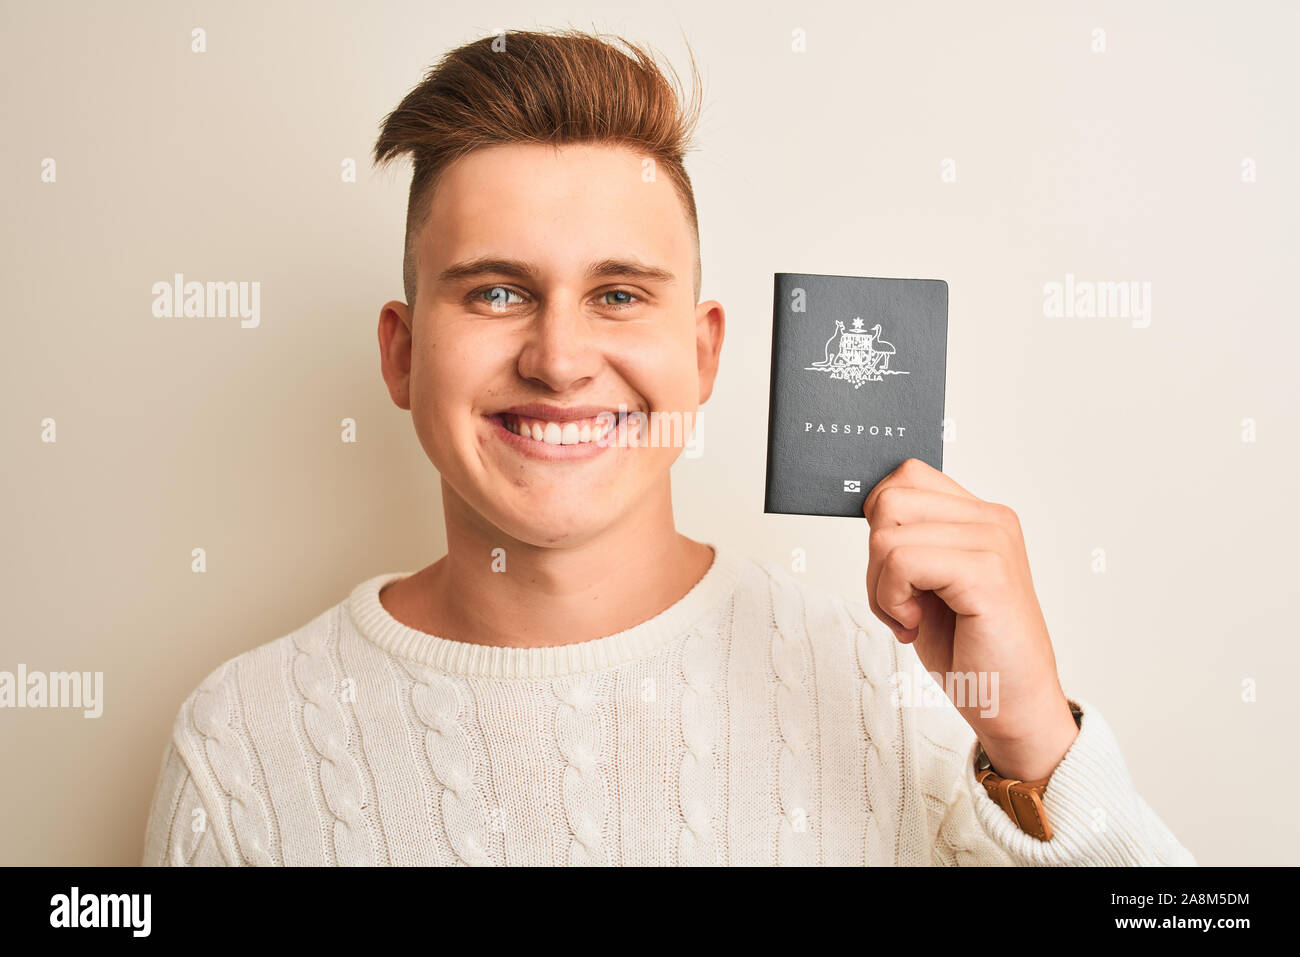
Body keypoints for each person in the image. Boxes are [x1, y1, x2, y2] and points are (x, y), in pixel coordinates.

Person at [141, 27, 1193, 866]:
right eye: (497, 292)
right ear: (403, 353)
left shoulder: (903, 699)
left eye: (617, 294)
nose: (559, 359)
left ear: (701, 355)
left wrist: (1039, 749)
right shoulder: (242, 746)